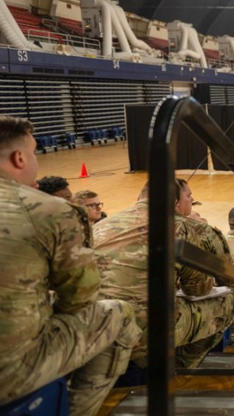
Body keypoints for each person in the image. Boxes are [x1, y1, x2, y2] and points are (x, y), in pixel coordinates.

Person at [0, 115, 140, 416]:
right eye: (35, 152)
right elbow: (80, 299)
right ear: (19, 157)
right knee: (119, 313)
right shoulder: (48, 209)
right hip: (10, 370)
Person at [94, 182, 234, 369]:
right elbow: (197, 289)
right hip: (143, 327)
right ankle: (181, 364)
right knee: (233, 299)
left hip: (96, 323)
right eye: (189, 196)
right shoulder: (183, 227)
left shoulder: (101, 225)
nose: (192, 200)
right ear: (176, 202)